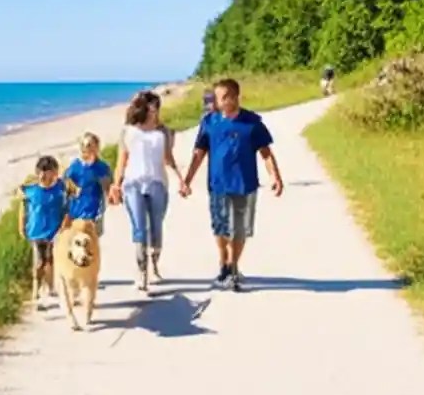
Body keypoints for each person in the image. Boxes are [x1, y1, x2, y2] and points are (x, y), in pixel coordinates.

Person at [182, 78, 285, 292]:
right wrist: (187, 180)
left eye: (223, 97)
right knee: (220, 228)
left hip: (245, 184)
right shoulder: (209, 122)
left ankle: (233, 266)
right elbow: (199, 153)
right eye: (218, 97)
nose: (219, 101)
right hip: (218, 185)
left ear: (234, 97)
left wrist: (275, 176)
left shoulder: (252, 122)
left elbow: (266, 153)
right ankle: (224, 262)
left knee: (240, 230)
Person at [112, 91, 186, 291]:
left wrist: (181, 180)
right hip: (132, 184)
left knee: (156, 228)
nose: (154, 110)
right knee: (139, 228)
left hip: (157, 183)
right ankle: (141, 271)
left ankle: (154, 261)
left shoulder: (164, 132)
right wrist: (116, 185)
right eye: (151, 106)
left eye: (157, 106)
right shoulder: (128, 131)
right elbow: (121, 162)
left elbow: (168, 158)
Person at [18, 155, 67, 309]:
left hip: (54, 232)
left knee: (51, 261)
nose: (44, 175)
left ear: (55, 172)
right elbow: (22, 206)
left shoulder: (60, 188)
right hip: (36, 232)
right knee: (39, 262)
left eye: (48, 171)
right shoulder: (31, 190)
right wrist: (21, 226)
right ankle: (36, 288)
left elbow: (68, 204)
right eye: (41, 172)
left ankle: (51, 287)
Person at [65, 132, 113, 237]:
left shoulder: (102, 167)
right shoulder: (75, 165)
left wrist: (106, 185)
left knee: (91, 245)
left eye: (89, 145)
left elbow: (109, 189)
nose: (86, 148)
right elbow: (65, 182)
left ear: (96, 147)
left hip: (95, 212)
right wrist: (73, 188)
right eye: (83, 145)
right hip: (76, 212)